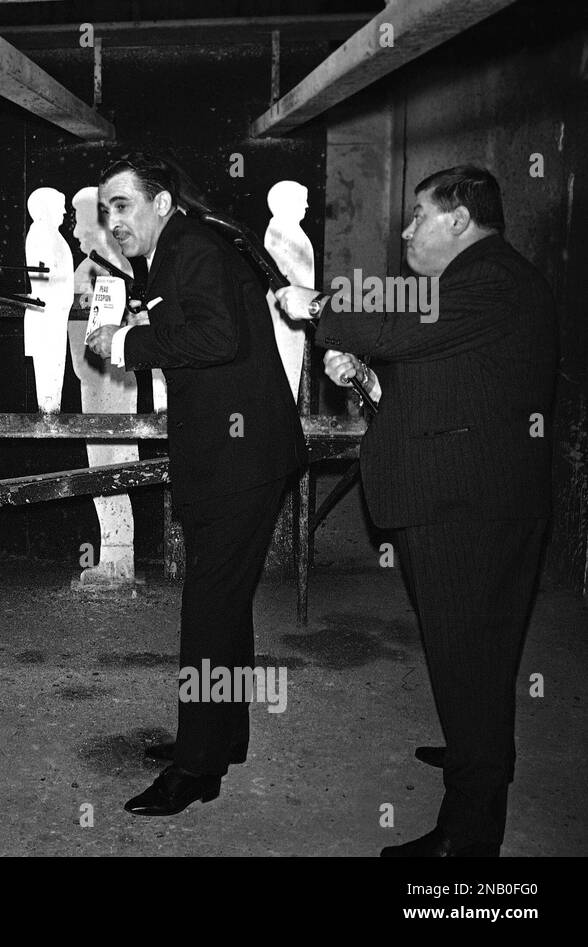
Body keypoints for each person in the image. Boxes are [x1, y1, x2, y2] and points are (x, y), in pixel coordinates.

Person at [276, 165, 556, 857]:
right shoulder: (471, 290)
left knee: (472, 660)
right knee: (468, 658)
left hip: (470, 510)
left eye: (418, 216)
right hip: (456, 499)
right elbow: (432, 388)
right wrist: (368, 379)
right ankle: (472, 747)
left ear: (460, 219)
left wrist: (316, 306)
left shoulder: (491, 278)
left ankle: (467, 839)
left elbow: (398, 324)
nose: (406, 230)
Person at [86, 153, 305, 818]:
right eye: (105, 210)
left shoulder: (188, 247)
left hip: (240, 461)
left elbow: (217, 336)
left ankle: (197, 768)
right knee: (225, 608)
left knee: (208, 611)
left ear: (160, 203)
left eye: (123, 205)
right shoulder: (180, 248)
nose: (113, 221)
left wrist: (127, 342)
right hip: (236, 454)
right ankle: (222, 737)